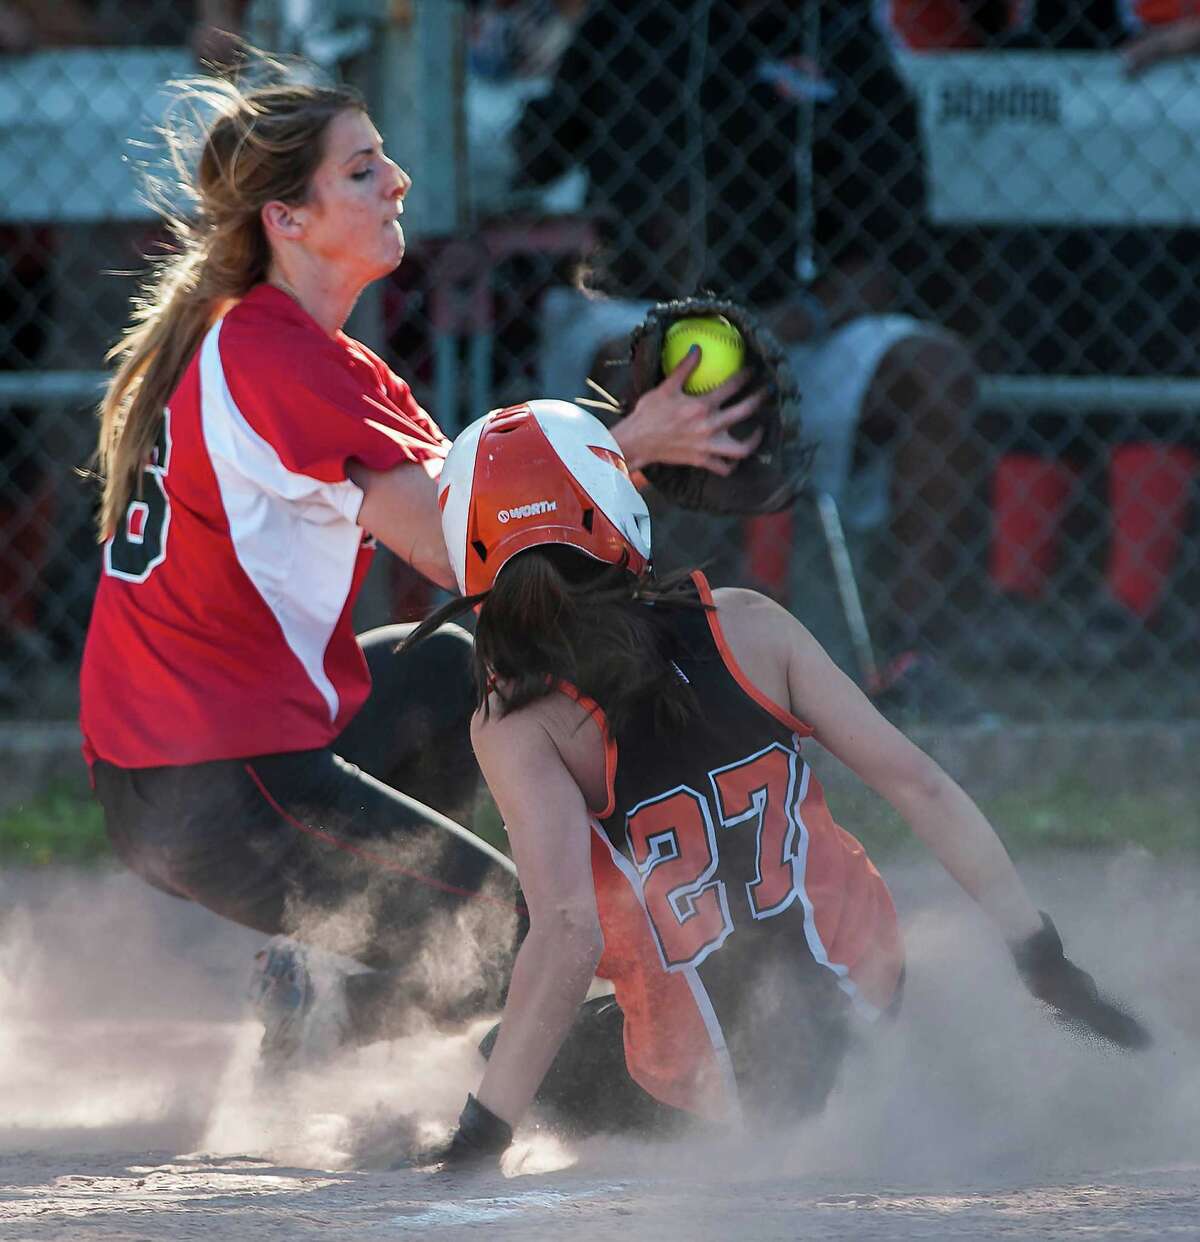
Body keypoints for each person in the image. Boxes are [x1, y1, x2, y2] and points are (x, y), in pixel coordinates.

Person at [79, 63, 764, 1067]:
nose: (397, 180)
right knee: (541, 943)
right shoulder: (284, 360)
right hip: (215, 786)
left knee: (446, 663)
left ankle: (336, 971)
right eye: (361, 171)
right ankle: (345, 1022)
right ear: (289, 218)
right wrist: (632, 445)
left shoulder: (300, 350)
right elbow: (468, 548)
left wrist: (630, 449)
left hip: (184, 762)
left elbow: (482, 513)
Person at [403, 399, 1147, 1167]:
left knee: (504, 1051)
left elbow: (566, 934)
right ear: (616, 506)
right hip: (867, 1015)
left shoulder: (518, 720)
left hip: (713, 1092)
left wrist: (480, 1140)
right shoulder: (748, 621)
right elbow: (917, 784)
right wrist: (1040, 954)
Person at [515, 0, 982, 681]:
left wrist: (799, 322)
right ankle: (649, 647)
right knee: (662, 375)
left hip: (799, 326)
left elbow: (892, 244)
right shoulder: (628, 21)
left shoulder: (841, 35)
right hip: (640, 315)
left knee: (935, 372)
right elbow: (534, 158)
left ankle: (908, 657)